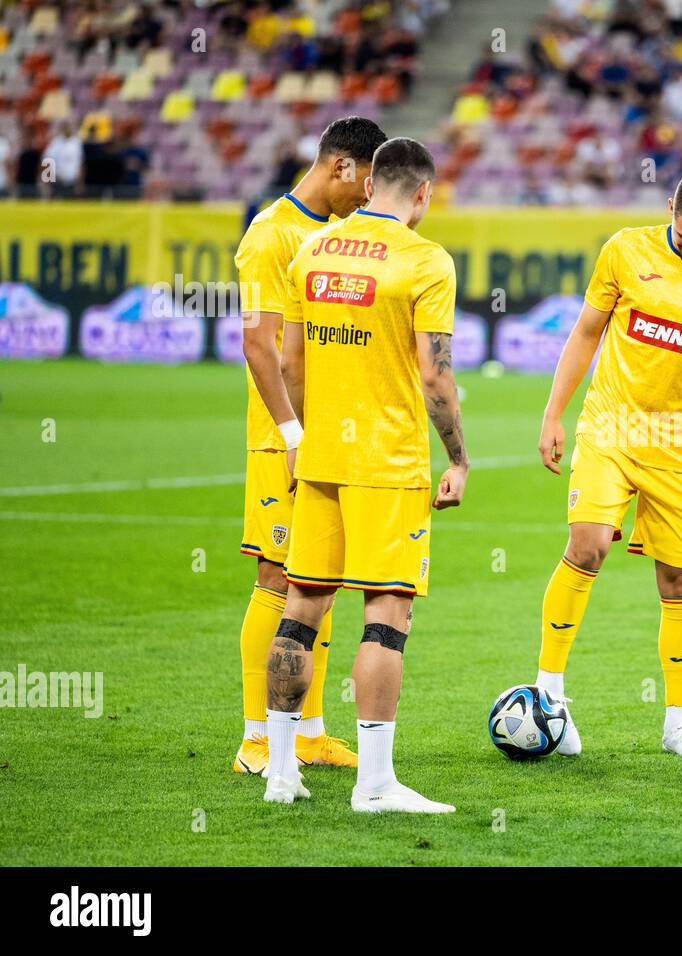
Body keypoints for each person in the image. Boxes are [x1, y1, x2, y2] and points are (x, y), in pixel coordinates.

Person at [534, 170, 682, 760]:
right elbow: (587, 331)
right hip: (610, 425)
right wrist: (553, 413)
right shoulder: (623, 249)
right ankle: (550, 698)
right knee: (587, 546)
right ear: (670, 208)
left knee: (680, 581)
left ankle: (678, 724)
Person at [264, 137, 467, 812]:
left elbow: (289, 361)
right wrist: (458, 456)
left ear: (370, 179)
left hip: (321, 452)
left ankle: (280, 769)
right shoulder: (425, 260)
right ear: (423, 194)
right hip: (387, 459)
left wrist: (299, 435)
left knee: (300, 611)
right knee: (386, 613)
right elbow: (435, 375)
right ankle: (375, 783)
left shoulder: (313, 250)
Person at [231, 116, 386, 776]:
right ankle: (257, 739)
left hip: (335, 437)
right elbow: (257, 344)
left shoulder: (343, 237)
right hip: (284, 438)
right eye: (367, 182)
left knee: (315, 582)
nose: (371, 196)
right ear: (342, 167)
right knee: (277, 576)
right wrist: (294, 433)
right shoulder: (272, 234)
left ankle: (310, 733)